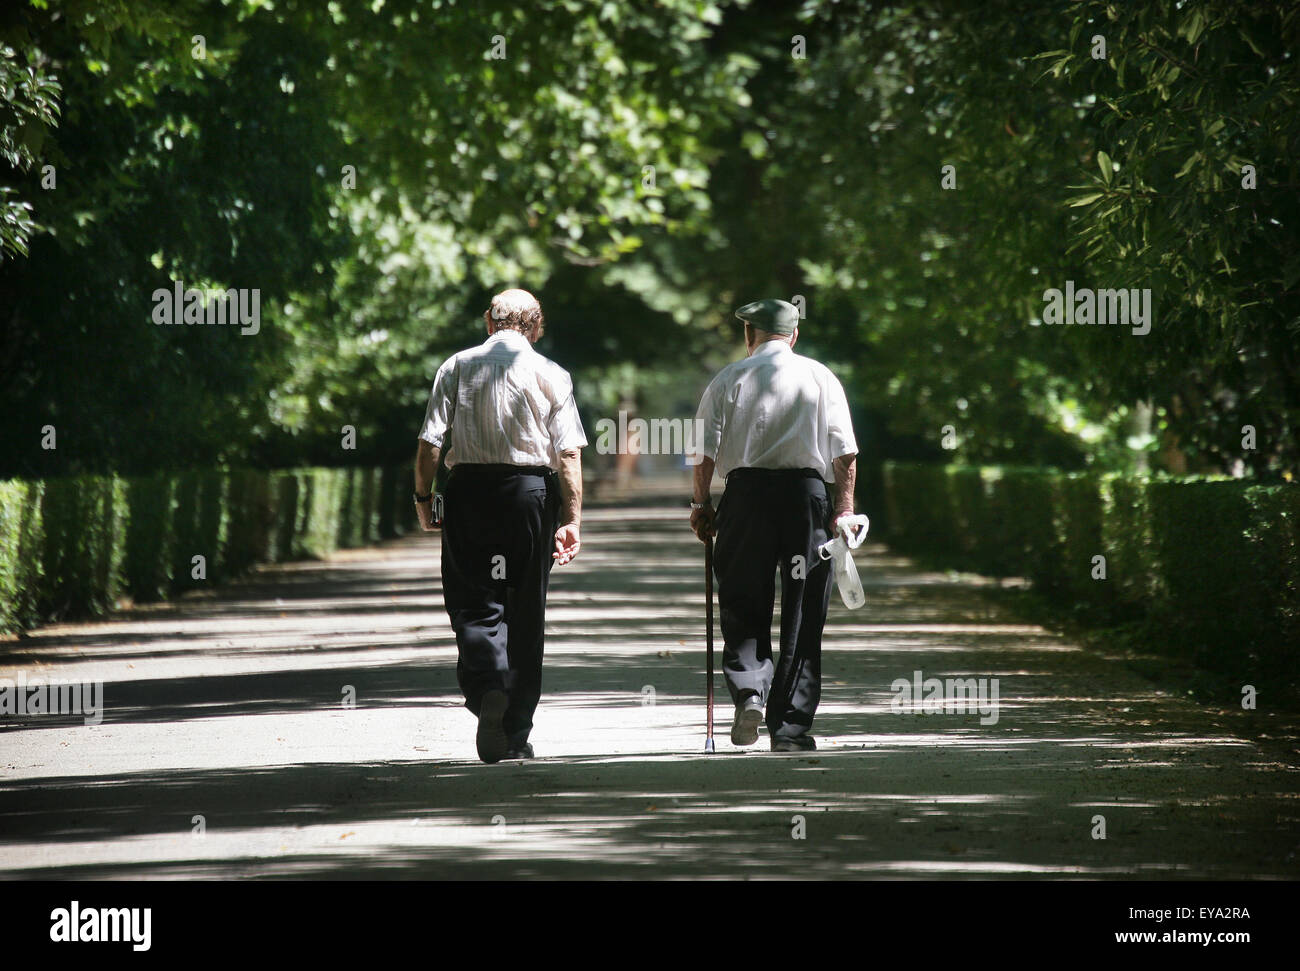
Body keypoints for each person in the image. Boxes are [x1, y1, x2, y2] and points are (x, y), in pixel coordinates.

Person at [414, 288, 586, 763]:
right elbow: (568, 452)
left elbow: (431, 444)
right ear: (535, 327)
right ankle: (515, 732)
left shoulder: (456, 366)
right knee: (525, 611)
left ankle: (488, 686)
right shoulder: (552, 373)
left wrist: (423, 498)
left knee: (473, 600)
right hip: (530, 495)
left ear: (490, 322)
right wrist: (570, 519)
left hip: (470, 492)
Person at [689, 299, 858, 752]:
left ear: (751, 335)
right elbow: (845, 452)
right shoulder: (820, 377)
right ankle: (790, 728)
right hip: (805, 500)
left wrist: (701, 504)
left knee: (744, 598)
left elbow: (703, 451)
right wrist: (843, 509)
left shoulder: (729, 378)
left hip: (745, 500)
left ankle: (749, 692)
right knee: (804, 610)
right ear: (794, 335)